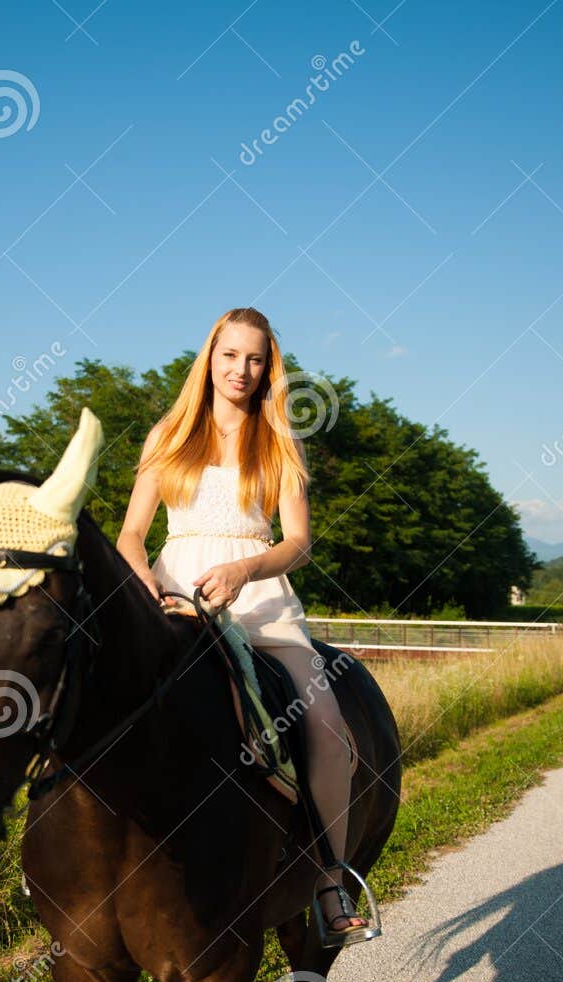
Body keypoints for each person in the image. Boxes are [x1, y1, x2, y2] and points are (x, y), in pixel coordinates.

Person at [116, 306, 372, 946]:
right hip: (176, 601)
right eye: (230, 355)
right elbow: (130, 534)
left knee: (325, 723)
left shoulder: (280, 440)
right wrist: (143, 578)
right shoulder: (168, 434)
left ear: (268, 367)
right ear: (210, 357)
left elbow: (299, 543)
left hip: (261, 605)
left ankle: (330, 879)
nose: (241, 369)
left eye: (255, 359)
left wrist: (244, 569)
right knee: (106, 704)